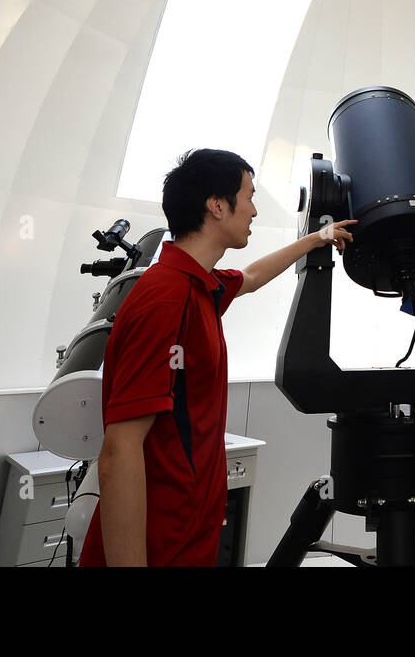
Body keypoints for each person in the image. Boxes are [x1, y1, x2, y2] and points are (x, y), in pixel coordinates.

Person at [79, 148, 353, 566]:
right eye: (249, 196)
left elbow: (254, 276)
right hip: (158, 545)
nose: (255, 210)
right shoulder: (165, 299)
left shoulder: (199, 286)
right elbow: (119, 452)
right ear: (218, 206)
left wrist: (319, 238)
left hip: (190, 534)